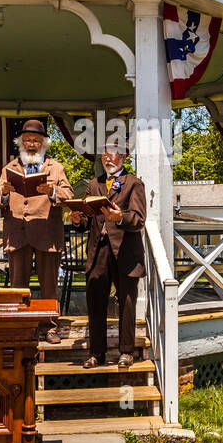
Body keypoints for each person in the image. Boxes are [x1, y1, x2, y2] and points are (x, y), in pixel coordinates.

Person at [0, 119, 73, 344]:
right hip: (17, 233)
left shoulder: (56, 168)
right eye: (27, 140)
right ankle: (21, 327)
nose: (32, 144)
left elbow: (68, 195)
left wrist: (52, 191)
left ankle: (50, 327)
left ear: (44, 143)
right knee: (18, 286)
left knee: (49, 286)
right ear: (20, 143)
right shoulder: (9, 168)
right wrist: (4, 192)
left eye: (36, 140)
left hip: (47, 234)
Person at [70, 139, 146, 368]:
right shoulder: (94, 184)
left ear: (123, 156)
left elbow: (139, 219)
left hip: (125, 251)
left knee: (127, 302)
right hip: (99, 251)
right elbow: (87, 220)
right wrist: (78, 220)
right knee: (95, 302)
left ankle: (126, 352)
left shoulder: (134, 184)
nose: (107, 157)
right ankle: (96, 354)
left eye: (112, 153)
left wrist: (120, 217)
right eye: (104, 153)